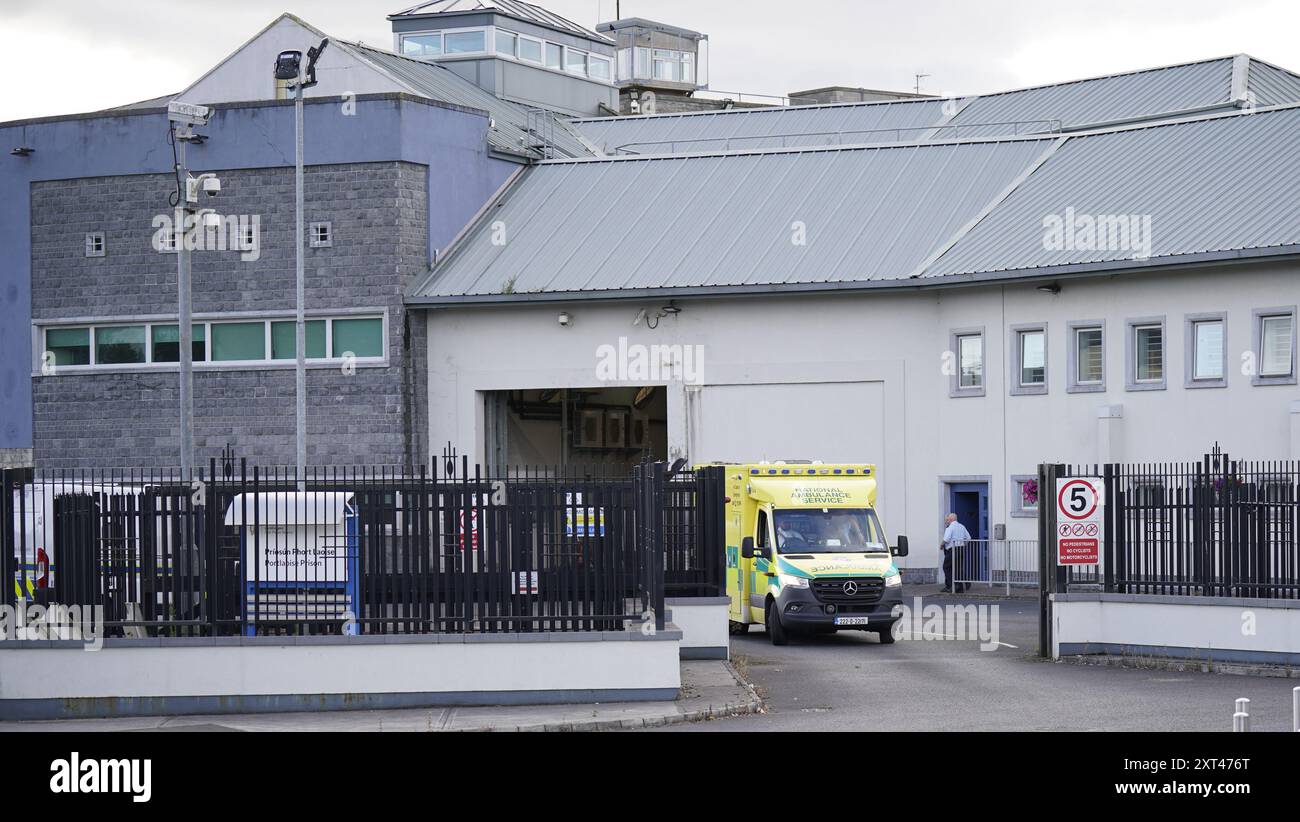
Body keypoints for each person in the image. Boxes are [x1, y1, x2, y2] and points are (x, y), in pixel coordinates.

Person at [940, 513, 971, 593]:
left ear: (950, 519)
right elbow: (968, 538)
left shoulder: (950, 527)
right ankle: (960, 586)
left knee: (946, 567)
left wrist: (941, 545)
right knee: (957, 568)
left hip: (952, 549)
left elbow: (946, 539)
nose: (946, 521)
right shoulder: (962, 526)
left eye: (947, 520)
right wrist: (963, 544)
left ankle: (952, 586)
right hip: (961, 549)